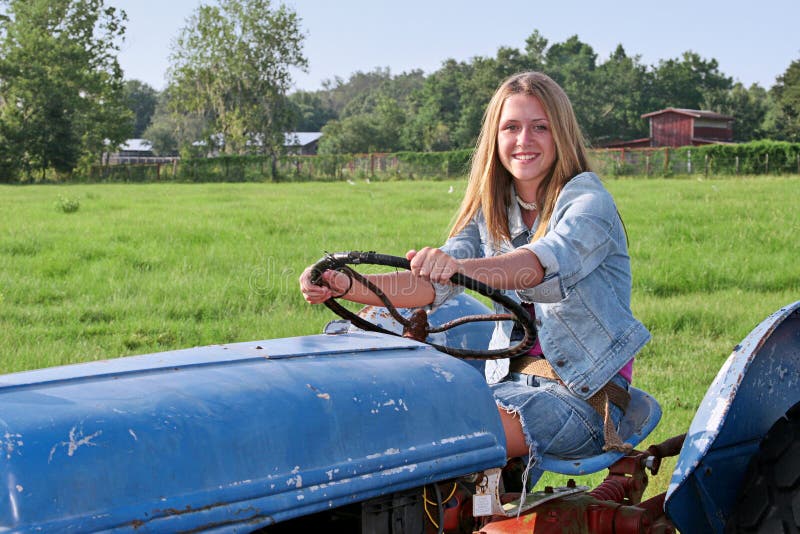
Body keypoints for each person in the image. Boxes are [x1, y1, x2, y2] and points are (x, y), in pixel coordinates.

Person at [299, 72, 650, 475]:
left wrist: (458, 270)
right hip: (509, 386)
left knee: (452, 434)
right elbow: (429, 285)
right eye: (511, 127)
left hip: (583, 399)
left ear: (562, 134)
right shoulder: (491, 211)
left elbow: (535, 265)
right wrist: (344, 284)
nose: (524, 140)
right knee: (402, 415)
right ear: (495, 137)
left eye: (540, 127)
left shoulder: (588, 202)